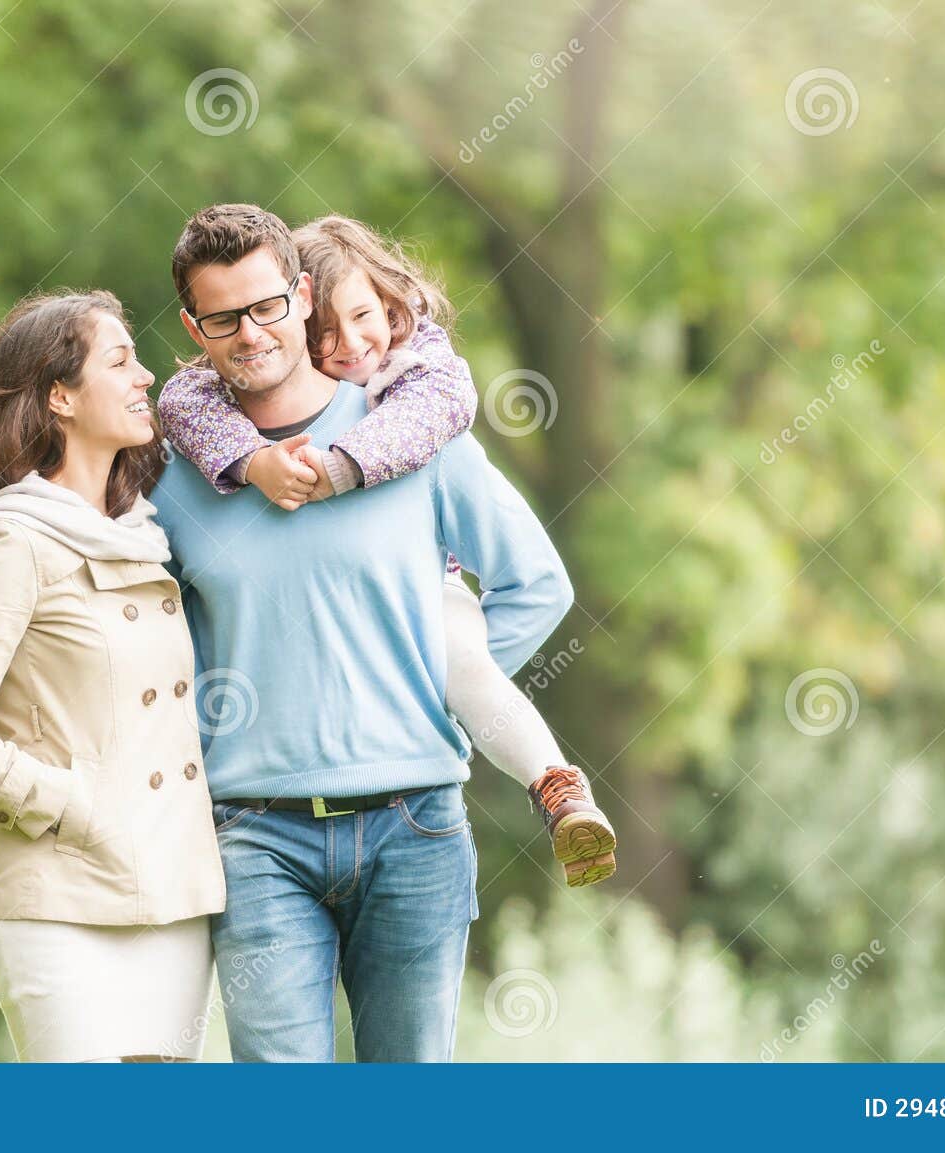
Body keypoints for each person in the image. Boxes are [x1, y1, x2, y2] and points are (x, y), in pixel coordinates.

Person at [151, 203, 574, 1061]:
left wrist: (444, 693)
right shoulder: (172, 474)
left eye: (267, 306)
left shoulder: (414, 435)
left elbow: (537, 586)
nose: (251, 333)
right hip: (253, 834)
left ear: (300, 297)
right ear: (195, 328)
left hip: (415, 825)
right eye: (223, 318)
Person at [0, 289, 224, 1062]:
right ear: (59, 395)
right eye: (120, 361)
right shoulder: (14, 538)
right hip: (58, 899)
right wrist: (66, 803)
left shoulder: (147, 533)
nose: (145, 375)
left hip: (174, 899)